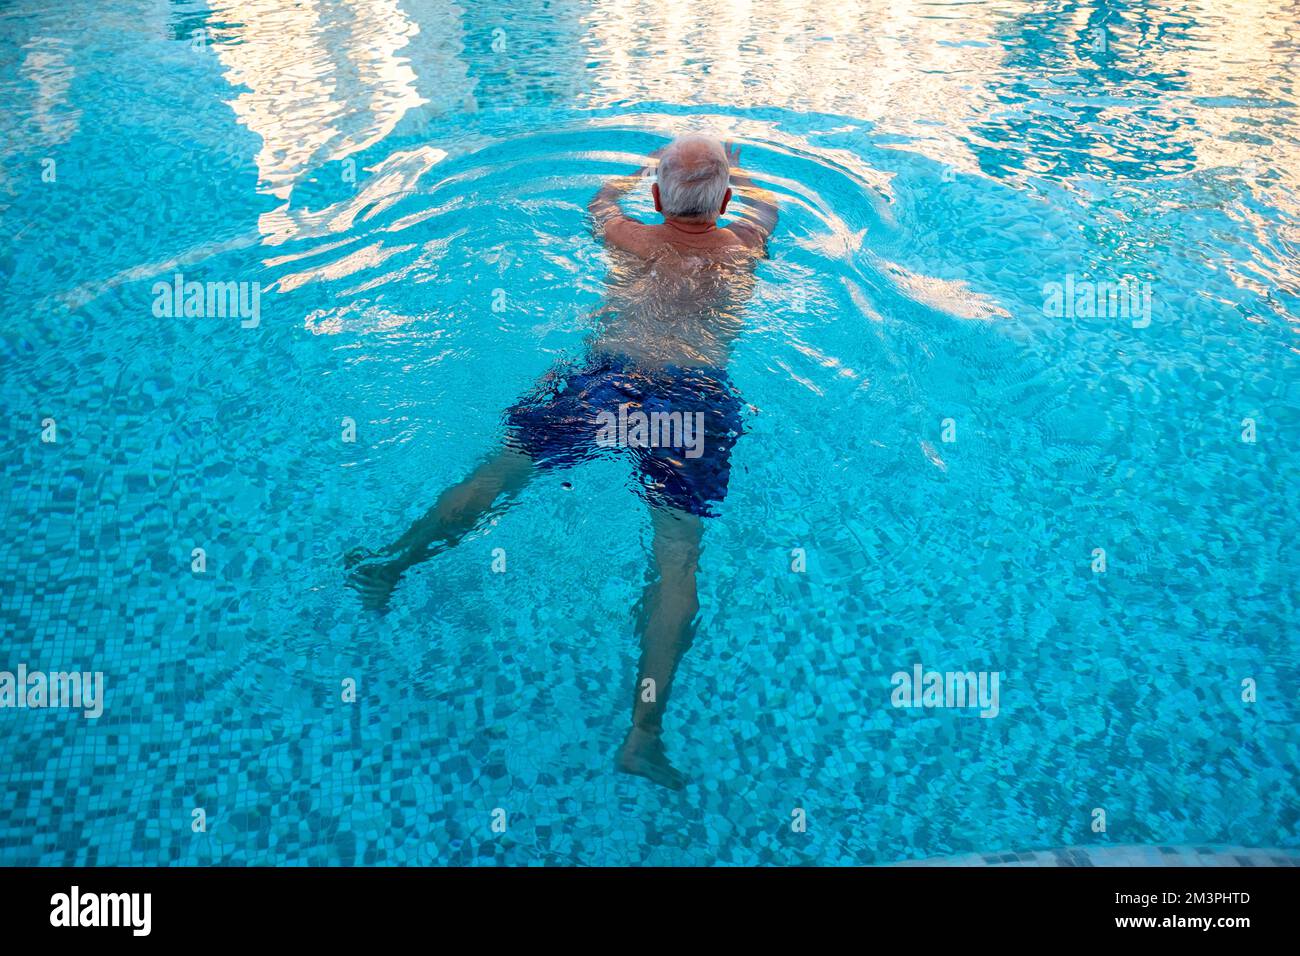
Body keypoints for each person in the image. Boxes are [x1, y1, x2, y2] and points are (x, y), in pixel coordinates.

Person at [347, 134, 778, 788]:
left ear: (659, 196)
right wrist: (737, 175)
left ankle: (388, 568)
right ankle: (642, 733)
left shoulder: (627, 235)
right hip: (695, 399)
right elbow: (770, 207)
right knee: (677, 556)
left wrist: (641, 170)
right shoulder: (744, 243)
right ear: (723, 202)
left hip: (609, 381)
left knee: (498, 473)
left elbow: (601, 198)